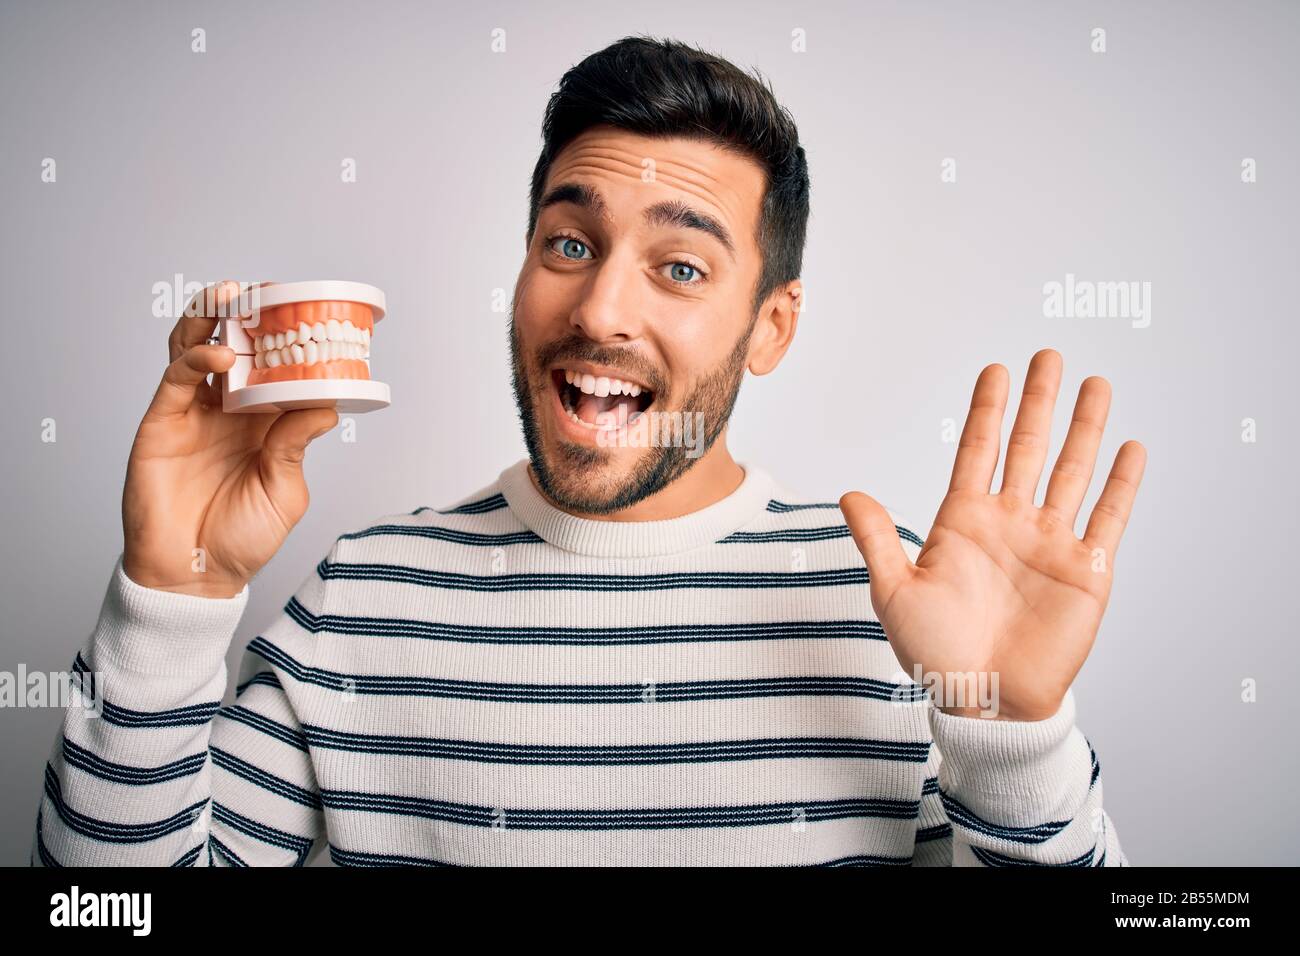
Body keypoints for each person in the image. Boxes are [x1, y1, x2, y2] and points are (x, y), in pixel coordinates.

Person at [33, 35, 1144, 867]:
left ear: (772, 324)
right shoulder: (363, 598)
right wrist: (170, 599)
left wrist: (1010, 744)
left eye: (680, 266)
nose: (598, 307)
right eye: (570, 243)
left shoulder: (907, 610)